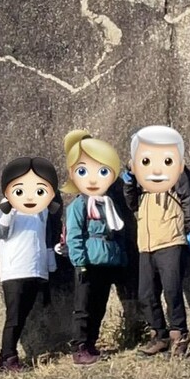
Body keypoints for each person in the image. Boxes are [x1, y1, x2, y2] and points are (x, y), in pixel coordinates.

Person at [121, 125, 190, 357]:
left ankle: (179, 336)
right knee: (146, 294)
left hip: (170, 239)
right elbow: (133, 205)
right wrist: (128, 183)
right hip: (146, 244)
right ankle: (160, 335)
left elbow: (187, 199)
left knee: (172, 290)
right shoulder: (140, 178)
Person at [62, 130, 128, 365]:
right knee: (84, 307)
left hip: (107, 262)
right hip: (88, 263)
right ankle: (79, 347)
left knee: (98, 306)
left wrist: (120, 258)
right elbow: (75, 235)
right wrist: (79, 263)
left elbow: (117, 231)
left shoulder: (109, 203)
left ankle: (91, 344)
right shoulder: (79, 204)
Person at [0, 157, 61, 371]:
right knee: (14, 316)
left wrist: (50, 264)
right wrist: (10, 209)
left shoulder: (41, 209)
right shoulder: (6, 207)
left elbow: (47, 235)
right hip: (14, 270)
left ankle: (5, 355)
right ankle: (9, 358)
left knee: (22, 316)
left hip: (36, 269)